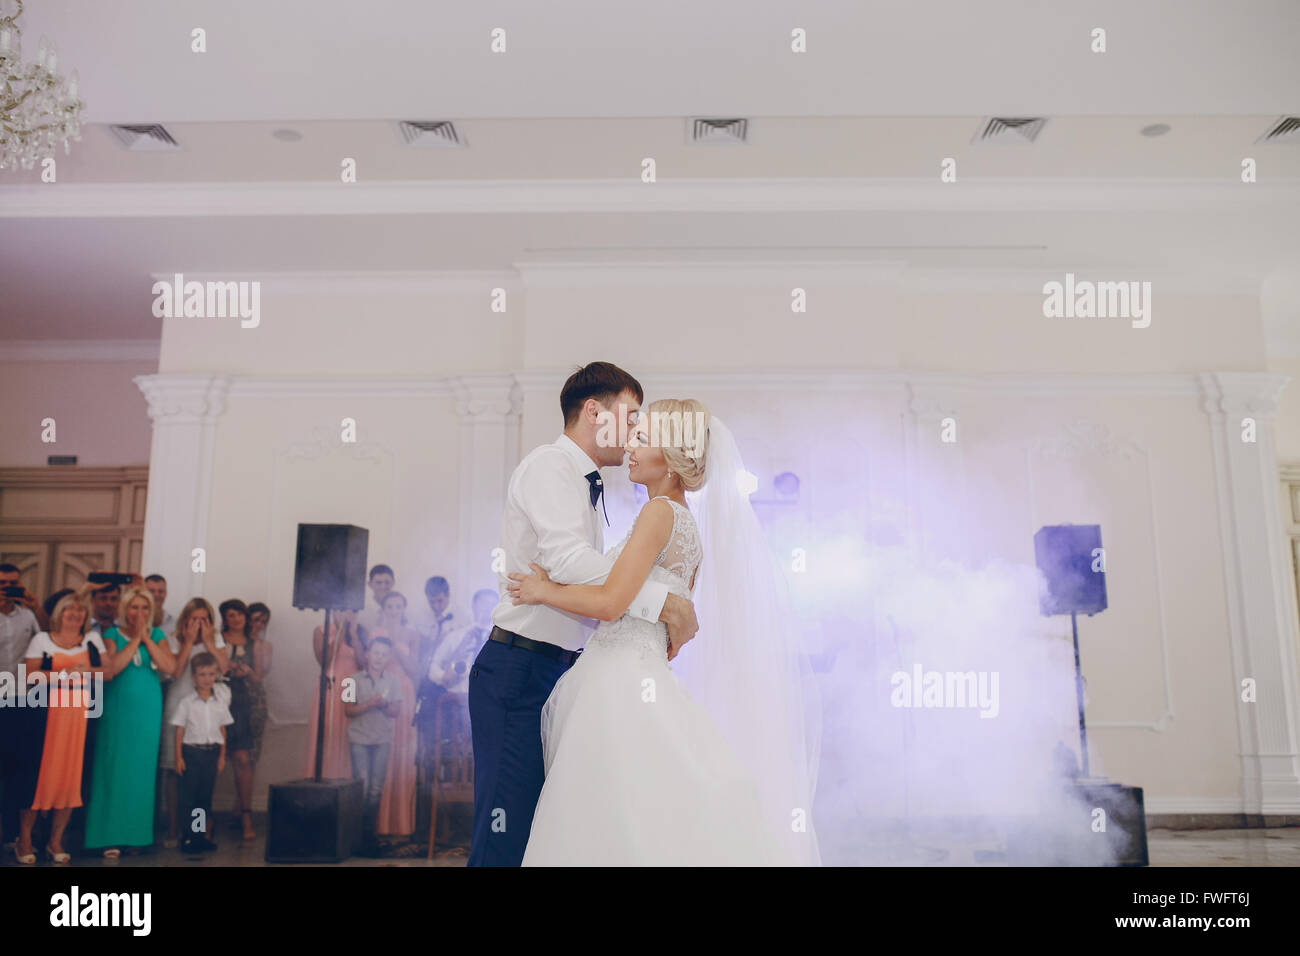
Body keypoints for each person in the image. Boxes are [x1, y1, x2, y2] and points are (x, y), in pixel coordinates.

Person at [509, 401, 820, 865]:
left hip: (617, 681)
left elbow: (611, 603)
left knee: (600, 819)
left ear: (674, 457)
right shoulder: (685, 523)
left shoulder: (658, 513)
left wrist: (543, 589)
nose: (630, 446)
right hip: (641, 675)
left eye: (644, 438)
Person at [467, 362, 699, 867]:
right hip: (519, 669)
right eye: (630, 415)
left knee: (552, 833)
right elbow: (569, 563)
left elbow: (592, 583)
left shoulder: (594, 484)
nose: (637, 430)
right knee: (506, 830)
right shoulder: (551, 466)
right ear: (593, 411)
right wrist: (661, 603)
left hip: (560, 670)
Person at [14, 592, 108, 864]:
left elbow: (108, 672)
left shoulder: (92, 640)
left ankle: (56, 841)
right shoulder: (42, 640)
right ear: (59, 613)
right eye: (69, 609)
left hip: (79, 718)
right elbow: (31, 674)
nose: (75, 614)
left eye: (80, 610)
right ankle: (25, 840)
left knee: (70, 777)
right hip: (44, 717)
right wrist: (68, 673)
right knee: (37, 776)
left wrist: (87, 671)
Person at [84, 585, 176, 857]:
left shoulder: (158, 635)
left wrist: (147, 639)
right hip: (118, 708)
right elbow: (113, 667)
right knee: (114, 768)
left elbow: (170, 668)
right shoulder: (111, 635)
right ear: (125, 610)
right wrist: (135, 639)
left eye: (144, 607)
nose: (139, 612)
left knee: (141, 770)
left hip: (147, 709)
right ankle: (109, 836)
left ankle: (136, 835)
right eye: (134, 607)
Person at [160, 599, 229, 847]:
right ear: (185, 619)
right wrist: (188, 642)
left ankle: (197, 833)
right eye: (194, 619)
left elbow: (223, 669)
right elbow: (174, 672)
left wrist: (209, 641)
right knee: (174, 769)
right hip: (179, 703)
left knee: (201, 783)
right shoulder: (171, 638)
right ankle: (172, 829)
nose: (199, 624)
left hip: (207, 710)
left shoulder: (216, 640)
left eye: (204, 619)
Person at [367, 591, 418, 843]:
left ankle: (400, 826)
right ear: (383, 608)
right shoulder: (375, 634)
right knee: (380, 754)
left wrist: (398, 647)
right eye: (390, 606)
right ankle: (376, 826)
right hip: (382, 690)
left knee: (403, 756)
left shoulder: (411, 634)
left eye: (399, 606)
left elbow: (415, 669)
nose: (394, 610)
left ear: (404, 609)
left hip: (405, 691)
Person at [343, 636, 402, 856]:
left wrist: (384, 704)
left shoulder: (394, 681)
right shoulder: (351, 679)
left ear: (389, 658)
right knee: (363, 788)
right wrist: (369, 704)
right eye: (376, 653)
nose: (379, 658)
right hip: (359, 739)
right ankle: (356, 838)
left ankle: (370, 837)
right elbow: (348, 711)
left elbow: (396, 711)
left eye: (384, 654)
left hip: (381, 740)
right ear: (367, 654)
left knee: (376, 790)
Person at [0, 563, 43, 849]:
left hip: (21, 698)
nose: (7, 588)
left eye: (13, 583)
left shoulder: (28, 615)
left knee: (18, 766)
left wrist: (36, 605)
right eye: (3, 583)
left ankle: (14, 834)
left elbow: (48, 639)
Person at [219, 599, 270, 844]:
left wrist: (247, 672)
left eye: (239, 614)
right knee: (210, 760)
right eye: (230, 615)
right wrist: (225, 667)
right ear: (224, 618)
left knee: (243, 758)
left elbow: (259, 678)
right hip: (216, 700)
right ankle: (202, 821)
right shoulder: (217, 639)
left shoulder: (256, 645)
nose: (236, 619)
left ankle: (246, 816)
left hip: (242, 701)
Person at [172, 652, 231, 853]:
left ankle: (199, 837)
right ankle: (187, 837)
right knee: (188, 797)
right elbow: (179, 730)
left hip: (211, 754)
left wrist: (222, 756)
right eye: (202, 674)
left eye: (211, 674)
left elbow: (223, 730)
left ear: (216, 675)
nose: (207, 679)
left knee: (203, 799)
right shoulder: (187, 703)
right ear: (194, 677)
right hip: (191, 753)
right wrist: (178, 757)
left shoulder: (219, 702)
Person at [304, 609, 363, 779]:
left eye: (348, 610)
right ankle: (321, 779)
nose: (344, 614)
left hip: (350, 684)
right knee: (327, 731)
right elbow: (325, 662)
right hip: (329, 684)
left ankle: (346, 781)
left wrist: (352, 633)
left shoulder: (360, 631)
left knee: (348, 732)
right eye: (340, 610)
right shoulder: (321, 630)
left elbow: (363, 664)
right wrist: (341, 632)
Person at [358, 565, 395, 636]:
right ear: (370, 584)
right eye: (378, 583)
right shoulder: (361, 613)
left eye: (387, 582)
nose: (383, 586)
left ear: (393, 583)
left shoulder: (403, 609)